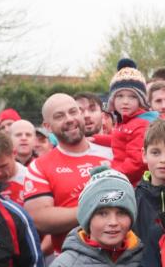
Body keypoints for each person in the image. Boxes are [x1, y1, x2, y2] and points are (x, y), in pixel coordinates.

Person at [25, 93, 113, 254]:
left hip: (120, 257)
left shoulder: (111, 152)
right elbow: (38, 217)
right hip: (72, 261)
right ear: (48, 126)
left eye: (73, 112)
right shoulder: (39, 167)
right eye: (59, 116)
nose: (69, 119)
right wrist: (93, 208)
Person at [102, 58, 160, 185]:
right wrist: (95, 139)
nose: (125, 101)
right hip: (124, 178)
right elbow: (121, 139)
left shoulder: (141, 124)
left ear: (141, 100)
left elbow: (136, 162)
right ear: (112, 100)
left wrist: (112, 173)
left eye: (132, 96)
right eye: (120, 96)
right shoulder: (126, 121)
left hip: (133, 185)